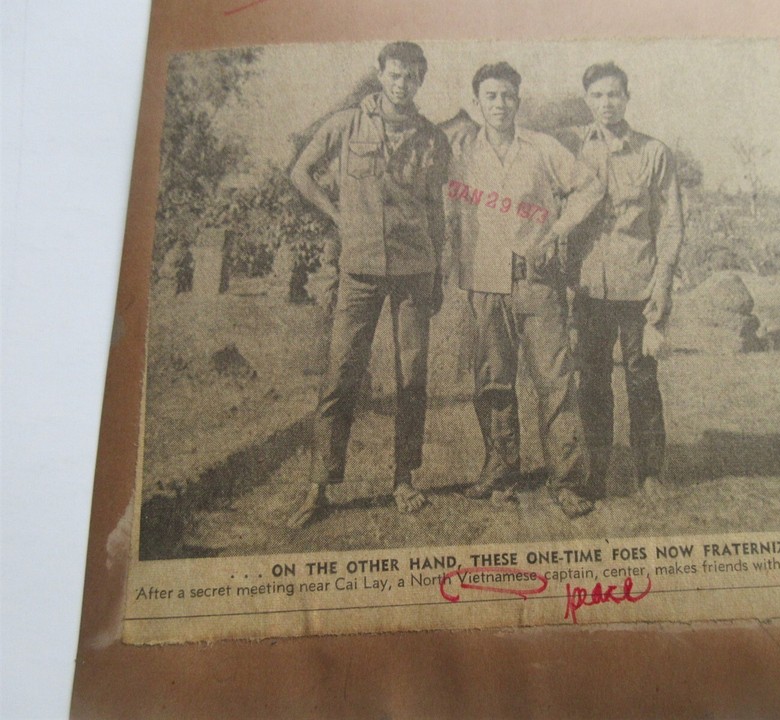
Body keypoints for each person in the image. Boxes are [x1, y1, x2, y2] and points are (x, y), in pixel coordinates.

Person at [286, 42, 451, 528]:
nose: (402, 84)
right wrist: (338, 215)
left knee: (411, 376)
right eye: (394, 75)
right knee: (341, 373)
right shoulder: (346, 124)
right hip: (359, 268)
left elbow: (436, 210)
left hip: (414, 269)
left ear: (421, 81)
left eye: (411, 77)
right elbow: (300, 172)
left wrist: (438, 271)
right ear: (380, 74)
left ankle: (404, 478)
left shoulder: (433, 138)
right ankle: (319, 485)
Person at [450, 62, 604, 518]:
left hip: (537, 281)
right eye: (490, 96)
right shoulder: (461, 154)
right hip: (485, 281)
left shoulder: (542, 147)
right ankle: (500, 471)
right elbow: (447, 209)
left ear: (518, 100)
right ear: (477, 102)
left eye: (507, 96)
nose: (499, 104)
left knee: (555, 382)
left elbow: (590, 187)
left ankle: (568, 481)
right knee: (493, 382)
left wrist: (558, 231)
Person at [567, 62, 684, 491]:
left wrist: (663, 282)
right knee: (593, 381)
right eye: (597, 95)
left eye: (614, 94)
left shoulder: (654, 152)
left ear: (627, 98)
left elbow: (670, 222)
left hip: (639, 284)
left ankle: (649, 472)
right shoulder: (574, 149)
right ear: (587, 100)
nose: (606, 103)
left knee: (642, 379)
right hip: (590, 286)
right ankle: (595, 471)